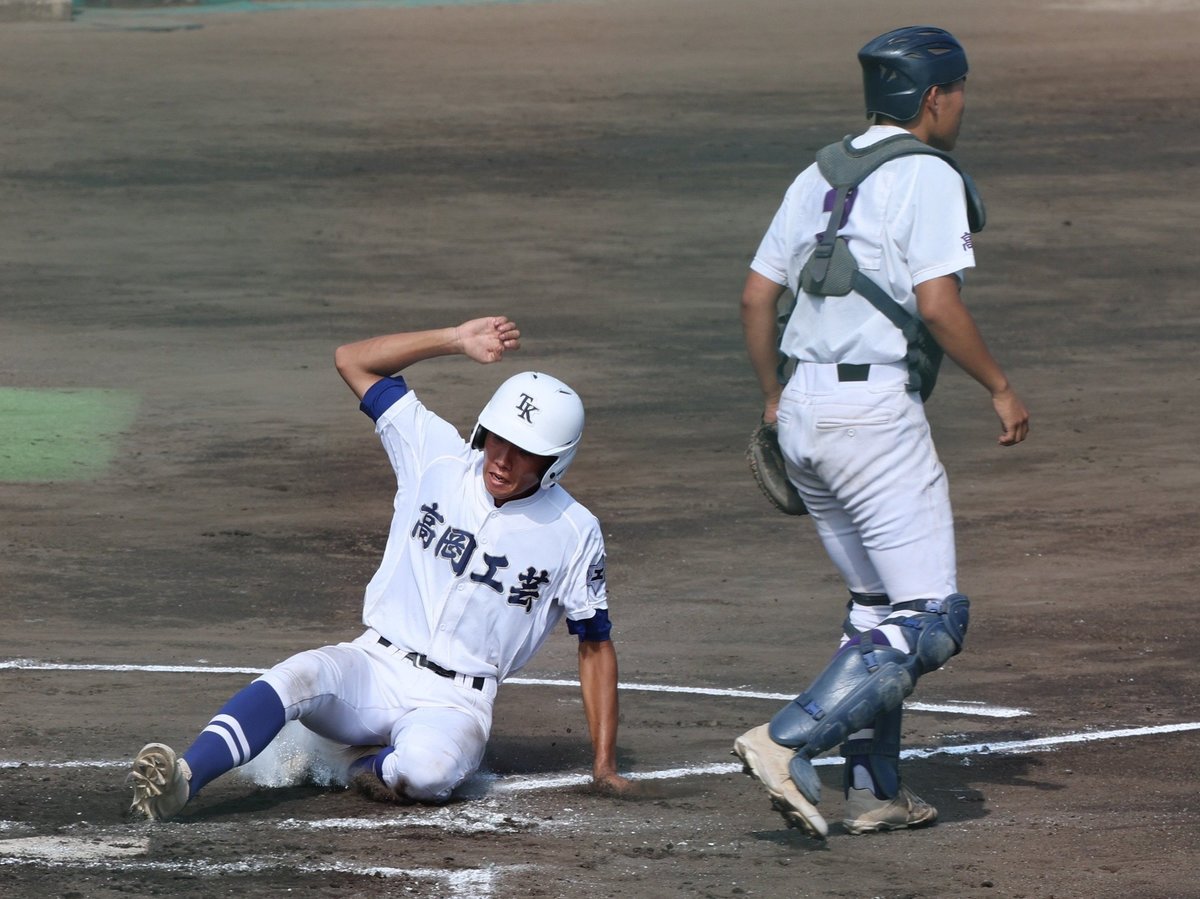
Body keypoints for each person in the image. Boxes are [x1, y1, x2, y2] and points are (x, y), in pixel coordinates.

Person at [128, 315, 631, 820]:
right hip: (374, 664)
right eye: (498, 439)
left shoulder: (574, 531)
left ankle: (356, 765)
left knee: (428, 773)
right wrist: (454, 340)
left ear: (554, 462)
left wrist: (605, 766)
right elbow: (352, 360)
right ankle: (185, 779)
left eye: (525, 453)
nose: (502, 460)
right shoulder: (436, 455)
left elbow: (595, 643)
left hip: (456, 703)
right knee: (297, 676)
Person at [732, 26, 1029, 839]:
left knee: (876, 610)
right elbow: (938, 304)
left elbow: (757, 297)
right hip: (871, 421)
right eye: (958, 91)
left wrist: (774, 397)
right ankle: (786, 738)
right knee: (932, 617)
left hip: (803, 413)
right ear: (933, 97)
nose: (961, 105)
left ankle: (875, 792)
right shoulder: (927, 175)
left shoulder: (818, 173)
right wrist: (1000, 386)